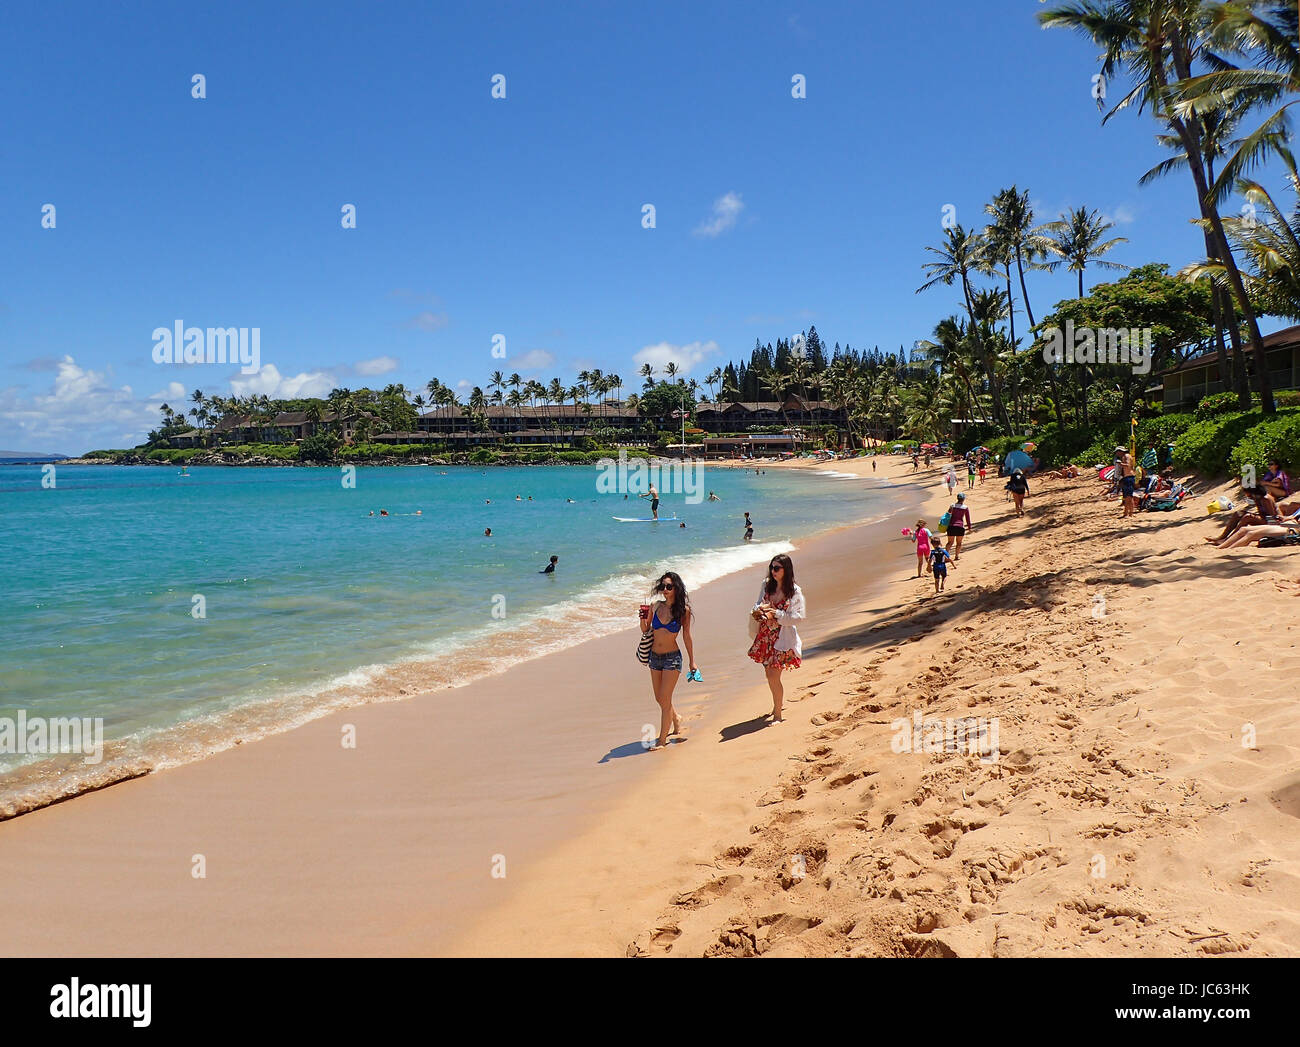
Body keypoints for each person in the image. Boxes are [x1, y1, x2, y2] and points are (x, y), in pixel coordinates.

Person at [640, 572, 697, 749]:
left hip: (672, 658)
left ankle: (662, 740)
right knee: (660, 698)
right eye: (663, 586)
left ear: (676, 588)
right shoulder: (655, 606)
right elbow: (645, 630)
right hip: (654, 657)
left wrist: (692, 661)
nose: (665, 590)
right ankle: (676, 718)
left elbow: (687, 636)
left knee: (665, 698)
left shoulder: (683, 611)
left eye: (669, 587)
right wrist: (642, 618)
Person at [747, 554, 804, 723]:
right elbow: (757, 604)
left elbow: (798, 617)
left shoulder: (795, 591)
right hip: (765, 636)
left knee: (773, 676)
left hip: (782, 638)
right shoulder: (766, 585)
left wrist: (776, 614)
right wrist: (759, 610)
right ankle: (776, 705)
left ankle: (778, 714)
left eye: (777, 568)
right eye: (772, 567)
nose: (773, 571)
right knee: (769, 674)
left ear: (786, 570)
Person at [946, 492, 972, 559]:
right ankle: (956, 556)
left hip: (951, 526)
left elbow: (947, 515)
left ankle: (946, 556)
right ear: (963, 499)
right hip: (960, 526)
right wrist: (969, 527)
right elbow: (967, 518)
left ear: (957, 498)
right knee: (959, 543)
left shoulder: (952, 506)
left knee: (950, 542)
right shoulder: (965, 507)